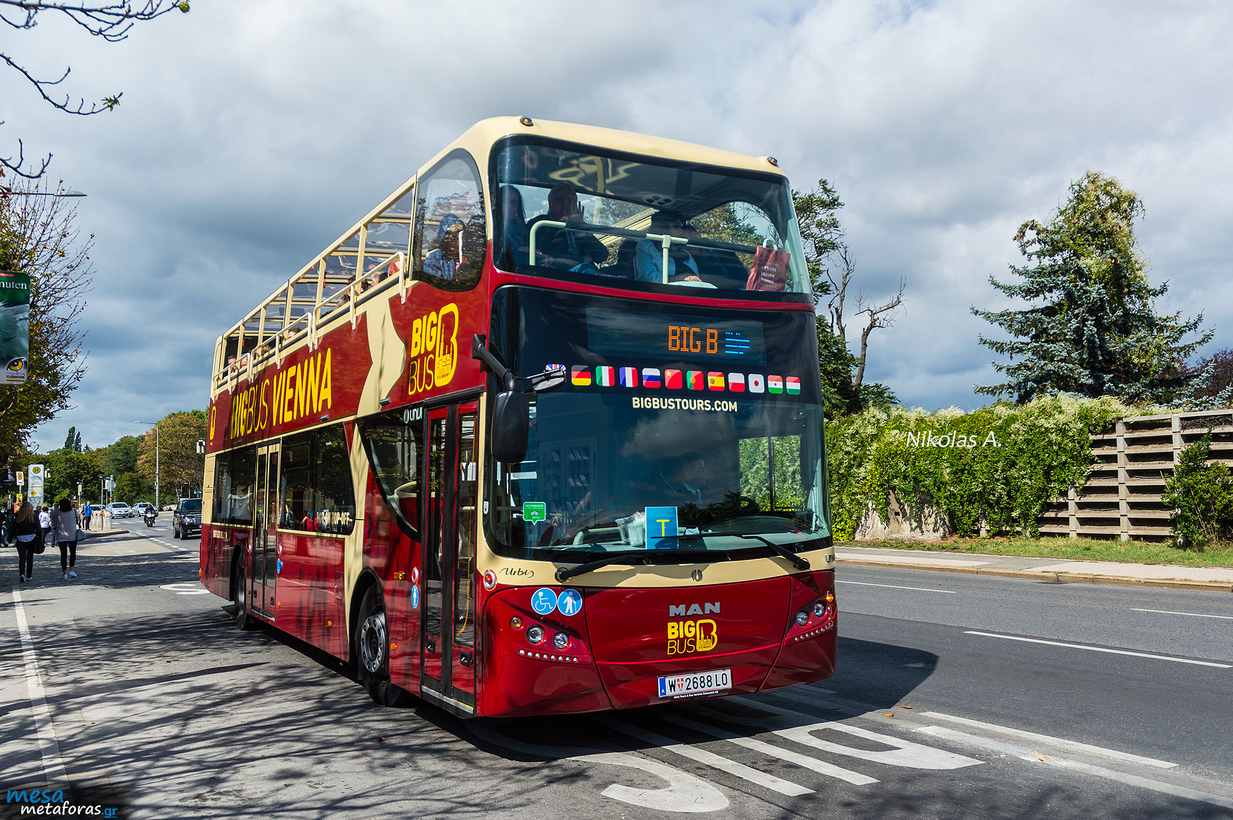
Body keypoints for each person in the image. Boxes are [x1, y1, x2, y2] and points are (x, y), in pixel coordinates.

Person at [527, 182, 608, 271]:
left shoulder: (580, 225)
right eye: (560, 199)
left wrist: (579, 232)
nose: (565, 204)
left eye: (569, 200)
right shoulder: (540, 224)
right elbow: (545, 255)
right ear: (550, 204)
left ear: (575, 204)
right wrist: (560, 226)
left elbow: (602, 256)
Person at [634, 210, 700, 284]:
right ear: (663, 228)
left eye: (681, 226)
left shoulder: (684, 252)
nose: (681, 229)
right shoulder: (646, 247)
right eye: (676, 225)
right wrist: (679, 278)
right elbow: (648, 277)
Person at [423, 214, 468, 281]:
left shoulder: (470, 257)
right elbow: (434, 285)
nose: (458, 242)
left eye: (460, 238)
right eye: (453, 239)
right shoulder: (435, 259)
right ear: (444, 240)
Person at [51, 498, 80, 581]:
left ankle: (64, 573)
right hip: (72, 535)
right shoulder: (74, 512)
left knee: (63, 554)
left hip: (61, 535)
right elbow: (77, 520)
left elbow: (56, 520)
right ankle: (71, 569)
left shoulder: (58, 512)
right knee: (72, 553)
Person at [12, 501, 39, 583]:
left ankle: (22, 574)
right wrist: (40, 538)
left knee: (22, 558)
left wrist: (10, 538)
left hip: (21, 538)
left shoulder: (18, 516)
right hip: (31, 538)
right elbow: (38, 528)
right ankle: (29, 575)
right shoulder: (33, 517)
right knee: (30, 557)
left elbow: (13, 528)